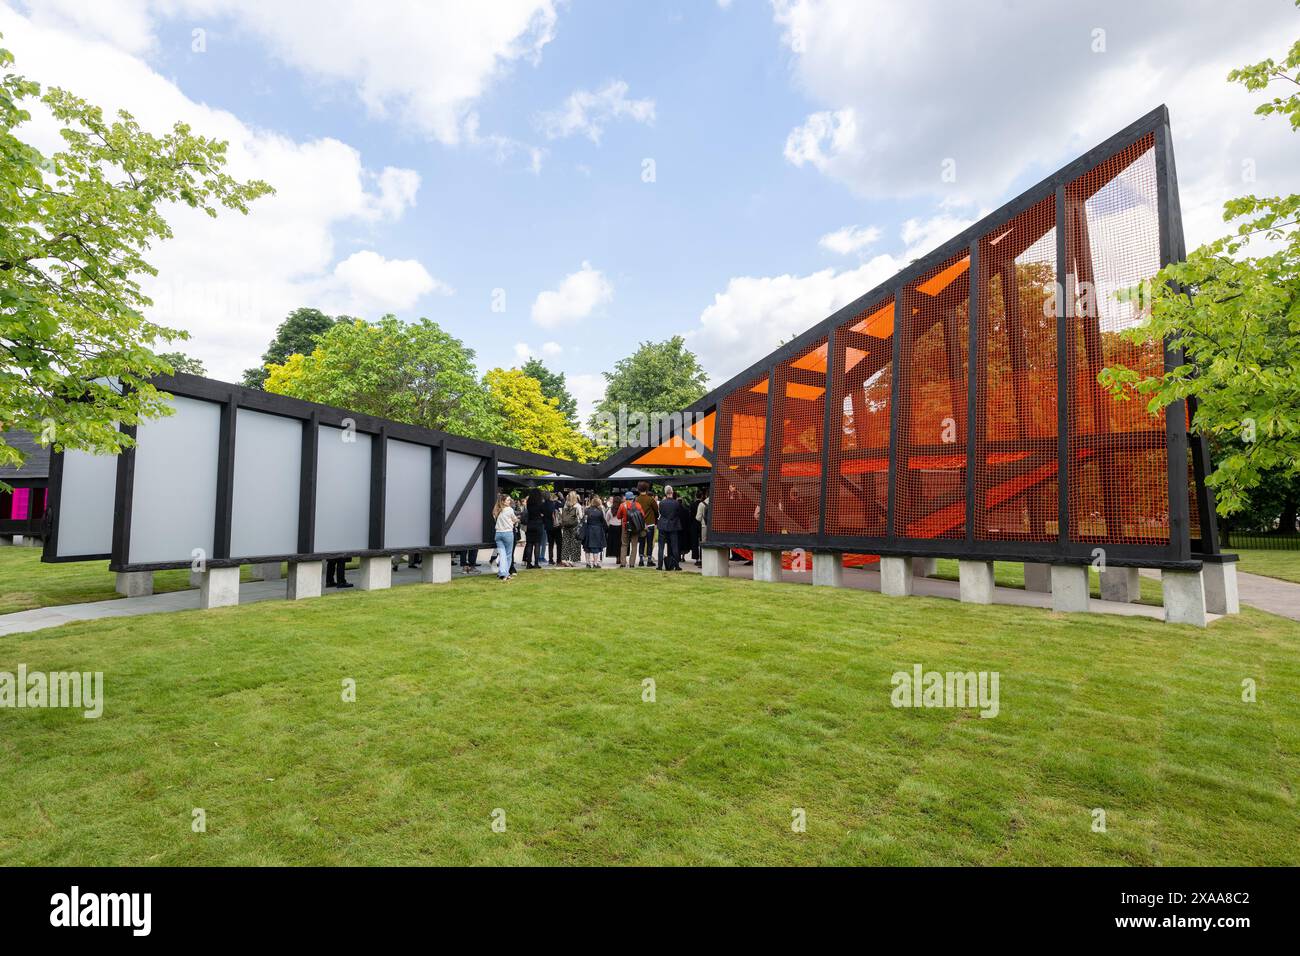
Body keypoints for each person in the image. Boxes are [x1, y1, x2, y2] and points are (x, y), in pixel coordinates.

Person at [656, 485, 684, 571]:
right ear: (672, 492)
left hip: (663, 525)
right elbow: (678, 513)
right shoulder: (676, 503)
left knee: (661, 547)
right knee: (674, 546)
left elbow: (660, 512)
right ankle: (677, 566)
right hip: (673, 525)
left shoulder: (662, 503)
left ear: (665, 493)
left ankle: (660, 566)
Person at [617, 491, 644, 568]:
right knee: (634, 545)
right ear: (633, 497)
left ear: (625, 498)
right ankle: (632, 564)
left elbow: (619, 516)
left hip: (625, 527)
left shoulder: (623, 505)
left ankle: (623, 563)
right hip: (635, 528)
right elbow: (642, 515)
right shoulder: (638, 505)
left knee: (624, 545)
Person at [493, 494, 517, 582]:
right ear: (503, 501)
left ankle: (501, 573)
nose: (509, 501)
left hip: (498, 534)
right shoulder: (509, 510)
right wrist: (516, 520)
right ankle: (505, 574)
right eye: (508, 500)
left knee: (502, 555)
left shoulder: (496, 510)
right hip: (507, 533)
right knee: (508, 555)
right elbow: (514, 519)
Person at [635, 481, 659, 568]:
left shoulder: (637, 499)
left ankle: (641, 560)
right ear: (647, 488)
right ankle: (649, 560)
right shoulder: (650, 499)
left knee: (641, 542)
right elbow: (656, 511)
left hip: (640, 525)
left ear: (638, 489)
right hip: (650, 524)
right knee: (649, 543)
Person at [580, 495, 607, 568]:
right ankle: (595, 563)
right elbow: (603, 522)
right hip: (597, 531)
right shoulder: (600, 511)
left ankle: (588, 563)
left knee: (587, 548)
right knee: (596, 548)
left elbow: (583, 520)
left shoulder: (587, 510)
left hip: (588, 530)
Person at [523, 488, 546, 568]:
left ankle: (528, 563)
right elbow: (543, 513)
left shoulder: (529, 503)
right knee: (537, 544)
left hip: (530, 524)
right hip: (538, 524)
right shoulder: (541, 504)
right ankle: (536, 563)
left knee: (529, 544)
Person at [545, 491, 561, 566]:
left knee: (550, 544)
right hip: (556, 526)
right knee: (559, 544)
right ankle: (558, 559)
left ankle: (550, 559)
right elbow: (563, 505)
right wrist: (561, 497)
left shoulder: (543, 505)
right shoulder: (556, 504)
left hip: (548, 527)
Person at [606, 493, 623, 565]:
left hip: (612, 527)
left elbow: (606, 519)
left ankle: (616, 556)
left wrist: (608, 525)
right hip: (620, 527)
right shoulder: (622, 509)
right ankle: (619, 557)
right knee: (620, 543)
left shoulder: (610, 510)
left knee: (613, 543)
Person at [695, 494, 709, 566]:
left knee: (704, 544)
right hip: (715, 527)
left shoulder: (702, 504)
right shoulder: (717, 502)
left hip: (704, 526)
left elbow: (698, 517)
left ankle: (703, 561)